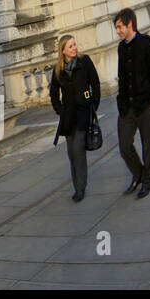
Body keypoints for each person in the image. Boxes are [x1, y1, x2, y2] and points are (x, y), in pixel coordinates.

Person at [114, 8, 150, 198]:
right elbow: (122, 77)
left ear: (130, 24)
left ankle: (147, 181)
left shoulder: (147, 43)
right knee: (125, 145)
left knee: (148, 144)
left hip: (146, 105)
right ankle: (138, 174)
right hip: (127, 107)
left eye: (120, 27)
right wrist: (121, 103)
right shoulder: (121, 47)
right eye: (116, 27)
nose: (117, 31)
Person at [49, 34, 100, 202]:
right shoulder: (58, 69)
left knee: (78, 150)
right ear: (63, 50)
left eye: (74, 45)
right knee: (71, 152)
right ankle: (77, 184)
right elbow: (53, 93)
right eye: (70, 46)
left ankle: (80, 187)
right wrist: (60, 110)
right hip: (68, 116)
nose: (74, 48)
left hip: (83, 112)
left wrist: (93, 105)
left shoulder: (84, 61)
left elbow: (95, 83)